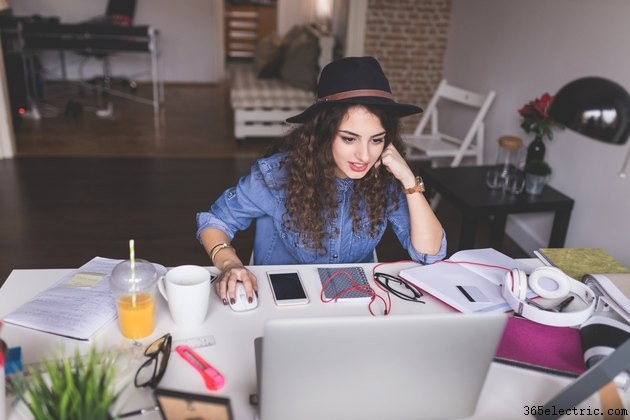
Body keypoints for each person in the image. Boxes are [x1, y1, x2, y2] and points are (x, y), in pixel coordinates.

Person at [196, 56, 447, 305]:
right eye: (349, 139)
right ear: (323, 134)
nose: (364, 155)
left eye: (377, 139)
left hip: (353, 299)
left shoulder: (387, 177)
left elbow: (430, 255)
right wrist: (229, 264)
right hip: (283, 295)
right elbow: (215, 221)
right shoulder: (276, 176)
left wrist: (408, 181)